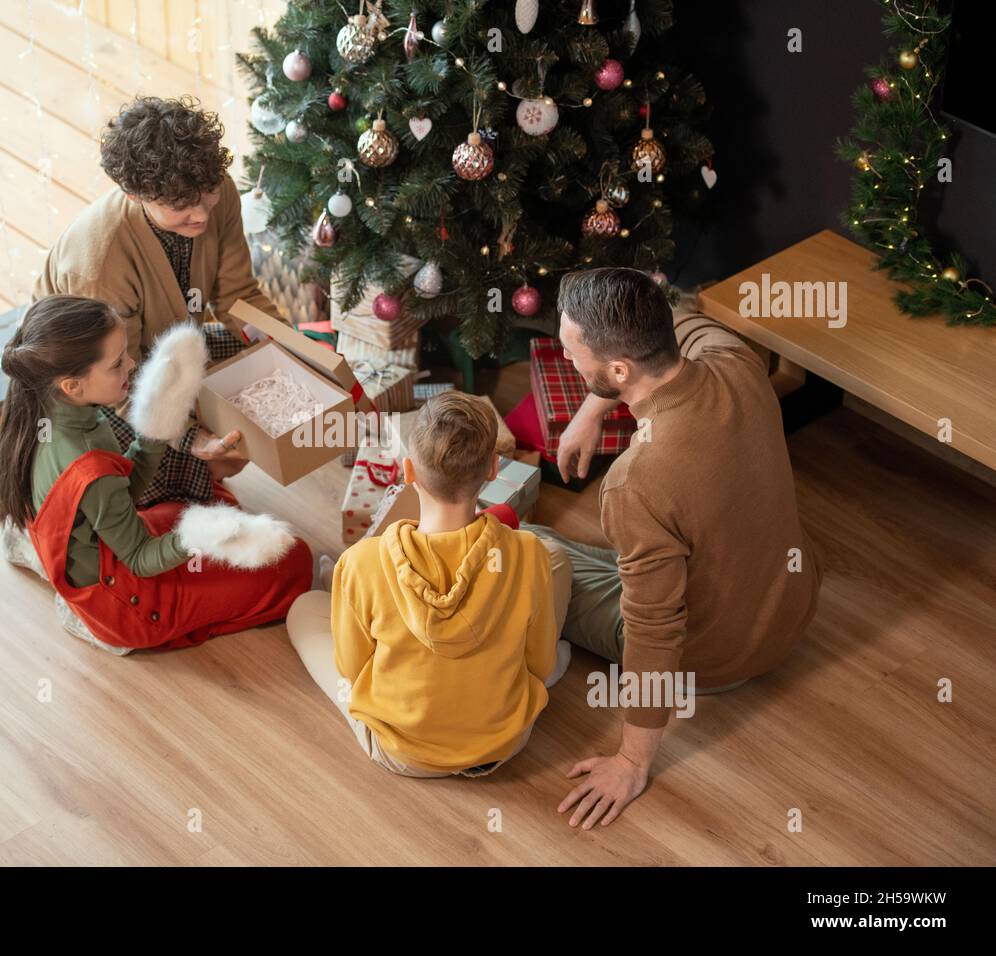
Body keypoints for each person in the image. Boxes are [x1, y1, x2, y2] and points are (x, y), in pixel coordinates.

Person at [538, 267, 823, 828]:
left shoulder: (635, 481)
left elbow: (654, 630)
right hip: (792, 608)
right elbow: (685, 323)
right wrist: (592, 409)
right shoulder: (736, 360)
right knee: (599, 551)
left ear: (619, 369)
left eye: (573, 352)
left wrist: (630, 760)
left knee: (528, 551)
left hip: (714, 656)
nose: (566, 358)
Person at [0, 295, 312, 654]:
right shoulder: (85, 465)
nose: (131, 364)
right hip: (126, 601)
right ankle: (95, 623)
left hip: (99, 552)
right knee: (294, 564)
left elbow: (120, 493)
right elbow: (142, 560)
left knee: (215, 502)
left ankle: (64, 587)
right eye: (116, 364)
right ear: (71, 385)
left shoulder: (40, 411)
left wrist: (155, 431)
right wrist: (198, 535)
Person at [285, 392, 573, 778]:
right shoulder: (527, 552)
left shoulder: (363, 561)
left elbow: (352, 669)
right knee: (555, 556)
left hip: (401, 752)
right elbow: (538, 662)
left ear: (407, 471)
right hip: (505, 742)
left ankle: (340, 597)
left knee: (304, 607)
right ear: (492, 468)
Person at [33, 95, 281, 506]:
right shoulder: (97, 262)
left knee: (252, 368)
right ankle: (177, 485)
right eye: (180, 207)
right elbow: (116, 381)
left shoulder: (217, 192)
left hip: (159, 348)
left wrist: (282, 345)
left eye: (207, 194)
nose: (201, 215)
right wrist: (188, 435)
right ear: (135, 195)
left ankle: (198, 474)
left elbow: (237, 295)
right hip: (96, 379)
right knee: (167, 472)